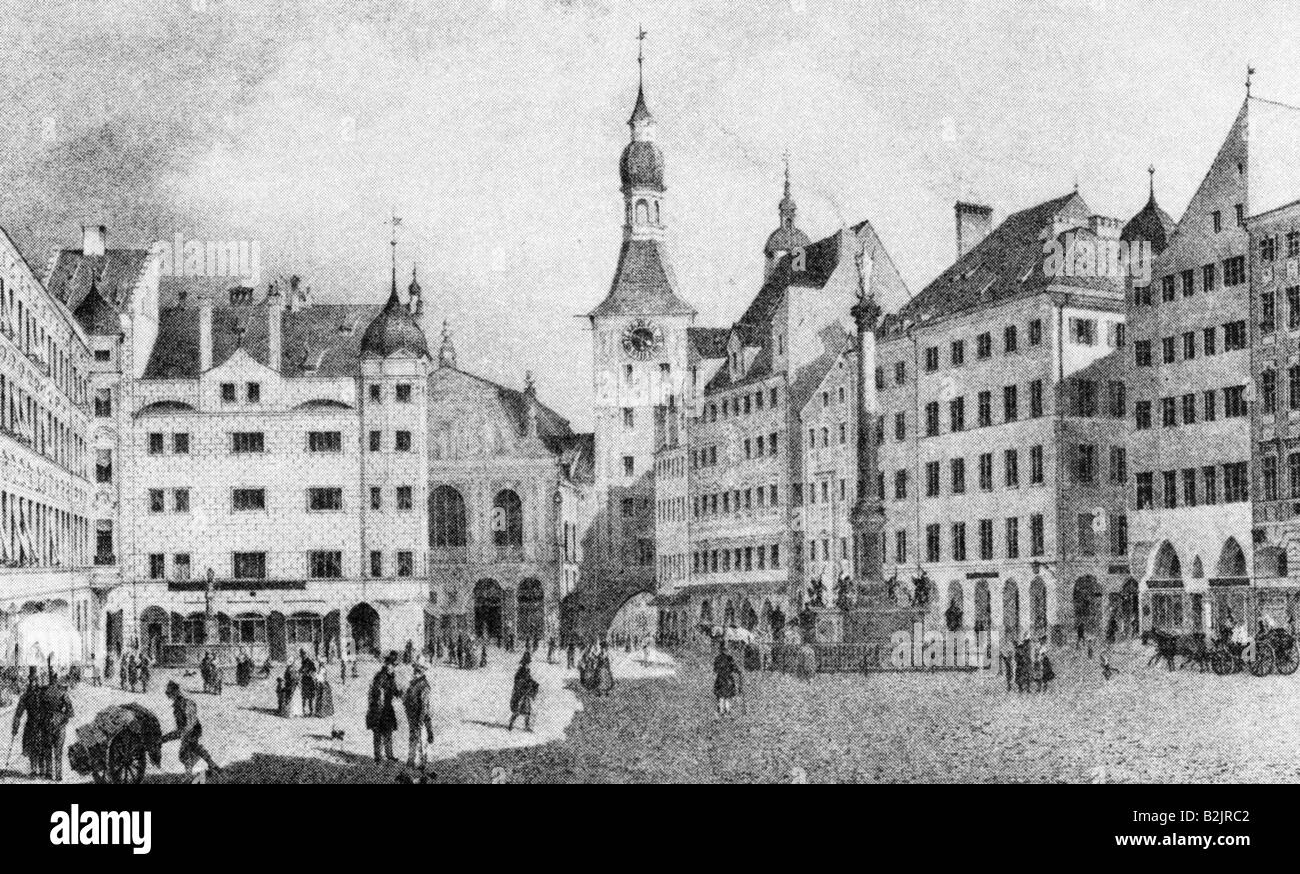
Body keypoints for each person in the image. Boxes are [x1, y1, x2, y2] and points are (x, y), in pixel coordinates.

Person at [162, 681, 220, 782]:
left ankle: (189, 776)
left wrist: (184, 734)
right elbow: (180, 726)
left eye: (170, 693)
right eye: (168, 694)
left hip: (193, 730)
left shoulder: (187, 703)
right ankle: (213, 766)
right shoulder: (176, 705)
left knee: (184, 753)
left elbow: (191, 722)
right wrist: (166, 738)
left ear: (176, 692)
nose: (169, 696)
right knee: (195, 748)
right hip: (186, 730)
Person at [366, 652, 402, 763]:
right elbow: (375, 692)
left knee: (388, 732)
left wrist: (400, 693)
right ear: (386, 664)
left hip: (387, 707)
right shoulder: (380, 676)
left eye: (394, 666)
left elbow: (395, 691)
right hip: (378, 708)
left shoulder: (391, 677)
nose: (392, 668)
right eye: (391, 665)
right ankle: (378, 757)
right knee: (378, 733)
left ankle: (389, 754)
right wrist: (378, 701)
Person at [11, 667, 46, 778]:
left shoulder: (43, 694)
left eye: (34, 681)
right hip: (31, 725)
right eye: (31, 681)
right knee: (31, 747)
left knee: (42, 747)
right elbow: (18, 713)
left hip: (42, 724)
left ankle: (42, 770)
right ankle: (33, 769)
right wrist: (15, 727)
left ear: (37, 681)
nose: (32, 683)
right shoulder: (25, 696)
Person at [42, 673, 73, 781]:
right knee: (58, 752)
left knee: (48, 750)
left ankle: (49, 773)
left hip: (47, 723)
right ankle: (58, 776)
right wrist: (63, 719)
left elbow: (40, 710)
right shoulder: (63, 694)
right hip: (59, 724)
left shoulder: (45, 693)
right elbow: (71, 712)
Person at [403, 662, 435, 766]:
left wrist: (420, 720)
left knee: (421, 739)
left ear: (422, 672)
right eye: (415, 670)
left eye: (418, 671)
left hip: (421, 717)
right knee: (413, 737)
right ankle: (411, 760)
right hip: (412, 716)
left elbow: (424, 706)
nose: (415, 672)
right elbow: (407, 698)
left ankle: (422, 762)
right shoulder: (413, 684)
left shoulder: (424, 685)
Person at [507, 652, 539, 732]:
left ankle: (526, 726)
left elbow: (529, 679)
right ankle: (511, 724)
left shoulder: (527, 670)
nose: (528, 664)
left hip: (525, 692)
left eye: (528, 663)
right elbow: (518, 680)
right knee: (517, 710)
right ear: (524, 663)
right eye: (527, 663)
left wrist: (533, 683)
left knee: (527, 711)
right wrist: (525, 684)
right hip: (520, 692)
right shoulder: (521, 670)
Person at [712, 642, 742, 717]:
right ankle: (727, 711)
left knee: (721, 696)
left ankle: (722, 711)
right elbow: (734, 668)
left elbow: (715, 670)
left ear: (720, 650)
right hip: (728, 679)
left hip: (720, 678)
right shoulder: (729, 658)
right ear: (726, 650)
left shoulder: (717, 658)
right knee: (727, 696)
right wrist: (739, 672)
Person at [300, 650, 317, 718]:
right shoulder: (303, 662)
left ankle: (311, 711)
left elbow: (314, 670)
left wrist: (308, 674)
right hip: (304, 681)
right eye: (301, 655)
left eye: (303, 655)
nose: (302, 656)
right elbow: (301, 669)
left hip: (310, 682)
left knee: (310, 697)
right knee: (304, 697)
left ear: (306, 654)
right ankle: (303, 711)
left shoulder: (310, 662)